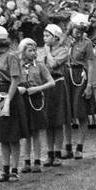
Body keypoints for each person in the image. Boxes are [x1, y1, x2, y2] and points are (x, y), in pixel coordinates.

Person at [0, 25, 27, 182]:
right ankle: (5, 169)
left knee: (13, 134)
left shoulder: (11, 56)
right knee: (3, 134)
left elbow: (16, 79)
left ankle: (14, 170)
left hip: (9, 95)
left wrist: (8, 100)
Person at [16, 37, 56, 176]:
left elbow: (51, 82)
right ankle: (26, 161)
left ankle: (37, 160)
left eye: (34, 50)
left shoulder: (39, 65)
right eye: (30, 50)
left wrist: (37, 88)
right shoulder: (17, 65)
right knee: (25, 132)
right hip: (22, 99)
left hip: (37, 99)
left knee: (36, 131)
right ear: (23, 51)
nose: (33, 53)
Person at [63, 13, 96, 159]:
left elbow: (90, 64)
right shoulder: (64, 41)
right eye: (77, 29)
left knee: (81, 113)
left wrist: (89, 84)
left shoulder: (87, 43)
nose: (79, 32)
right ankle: (67, 147)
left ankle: (80, 148)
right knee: (66, 114)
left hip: (79, 77)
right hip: (66, 75)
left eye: (82, 30)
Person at [39, 23, 69, 165]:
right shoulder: (42, 51)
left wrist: (47, 51)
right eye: (44, 35)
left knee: (57, 122)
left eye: (47, 35)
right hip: (46, 85)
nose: (44, 38)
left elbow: (52, 65)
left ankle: (57, 153)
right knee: (48, 122)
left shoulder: (63, 51)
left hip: (57, 84)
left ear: (56, 37)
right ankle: (49, 153)